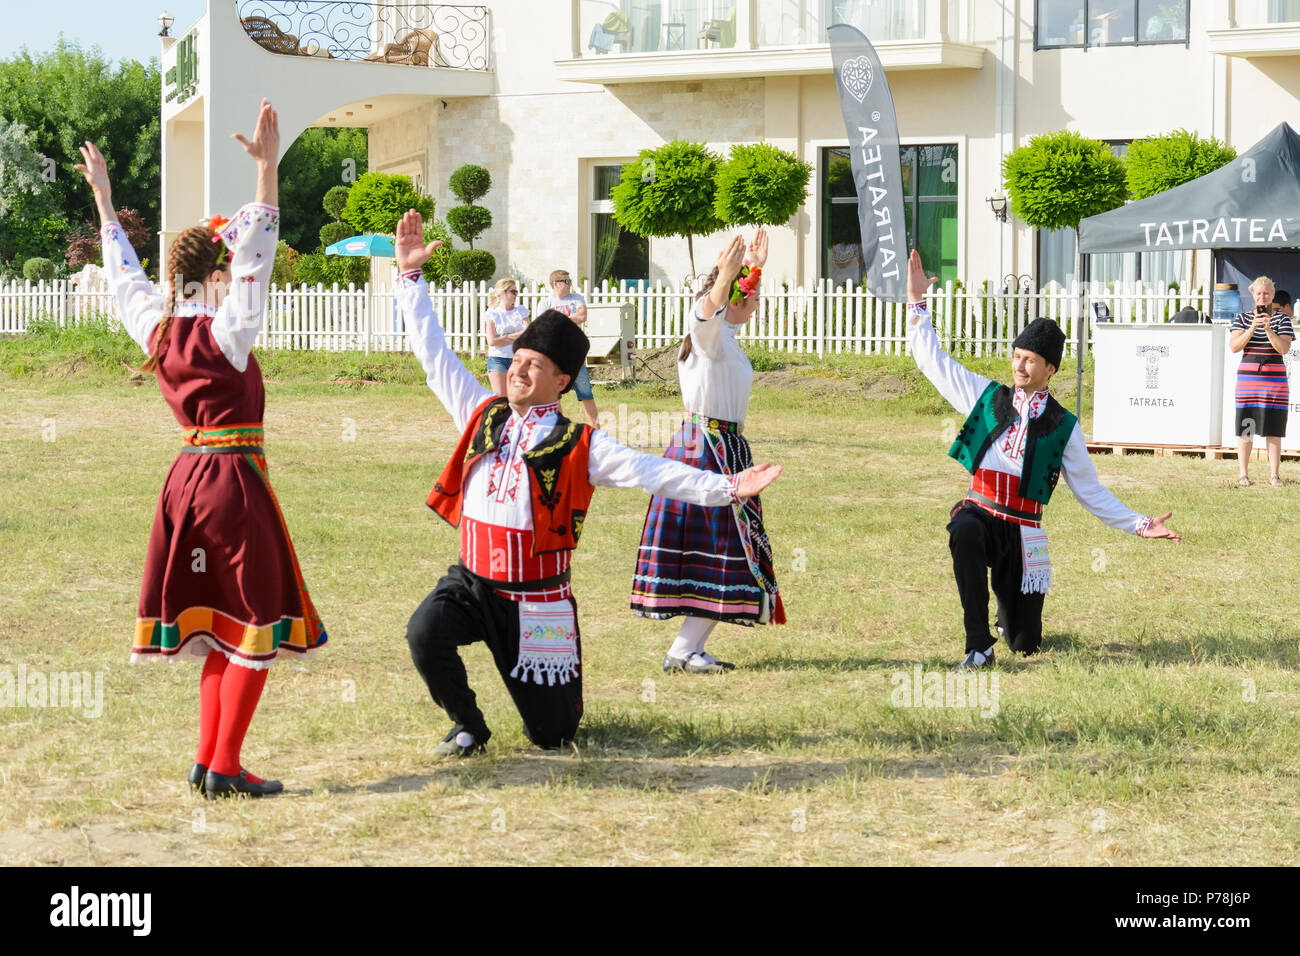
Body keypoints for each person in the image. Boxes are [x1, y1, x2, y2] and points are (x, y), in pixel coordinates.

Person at [393, 210, 782, 757]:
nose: (520, 372)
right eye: (518, 360)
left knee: (555, 736)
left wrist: (727, 488)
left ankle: (550, 703)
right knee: (423, 632)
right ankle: (467, 726)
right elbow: (434, 356)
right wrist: (410, 279)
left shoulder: (582, 444)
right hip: (473, 583)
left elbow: (653, 471)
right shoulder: (481, 412)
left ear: (561, 380)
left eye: (534, 366)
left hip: (539, 601)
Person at [76, 100, 326, 798]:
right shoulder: (227, 332)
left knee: (219, 627)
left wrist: (103, 197)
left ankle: (210, 763)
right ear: (214, 270)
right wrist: (267, 174)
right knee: (255, 625)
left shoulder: (155, 327)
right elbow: (258, 258)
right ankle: (222, 765)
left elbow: (123, 273)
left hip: (184, 480)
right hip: (232, 481)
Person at [904, 250, 1180, 671]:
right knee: (964, 531)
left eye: (1029, 359)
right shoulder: (986, 395)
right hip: (980, 510)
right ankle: (977, 645)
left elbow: (1090, 491)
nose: (1019, 365)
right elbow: (933, 362)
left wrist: (1141, 524)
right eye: (1016, 356)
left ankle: (1007, 618)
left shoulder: (1064, 426)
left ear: (1050, 368)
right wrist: (918, 304)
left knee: (1026, 642)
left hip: (1024, 531)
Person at [629, 230, 785, 674]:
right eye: (751, 297)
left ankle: (686, 649)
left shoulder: (726, 337)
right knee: (726, 547)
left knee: (729, 549)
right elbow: (706, 314)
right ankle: (684, 650)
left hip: (723, 447)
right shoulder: (708, 337)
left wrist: (754, 267)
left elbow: (724, 313)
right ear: (730, 300)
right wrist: (729, 276)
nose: (756, 302)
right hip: (707, 449)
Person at [1230, 275, 1294, 487]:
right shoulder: (1242, 318)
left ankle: (1274, 475)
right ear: (1253, 295)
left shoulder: (1283, 319)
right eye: (1259, 293)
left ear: (1272, 295)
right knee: (1246, 428)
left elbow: (1283, 349)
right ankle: (1243, 475)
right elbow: (1234, 347)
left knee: (1274, 429)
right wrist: (1252, 328)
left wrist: (1268, 329)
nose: (1262, 296)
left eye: (1266, 293)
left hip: (1275, 382)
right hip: (1248, 381)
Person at [537, 269, 599, 427]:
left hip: (574, 354)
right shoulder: (545, 303)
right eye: (566, 281)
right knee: (555, 395)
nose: (570, 284)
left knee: (586, 393)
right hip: (554, 356)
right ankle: (561, 430)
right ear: (555, 284)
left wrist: (557, 319)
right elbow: (544, 326)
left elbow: (582, 317)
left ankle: (596, 430)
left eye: (569, 281)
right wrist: (568, 320)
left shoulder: (577, 298)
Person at [484, 277, 529, 396]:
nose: (515, 295)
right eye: (512, 291)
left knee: (519, 397)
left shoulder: (520, 311)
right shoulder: (492, 313)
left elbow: (528, 335)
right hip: (498, 359)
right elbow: (492, 341)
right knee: (502, 400)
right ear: (502, 293)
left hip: (518, 359)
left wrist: (503, 338)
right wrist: (518, 335)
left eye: (516, 292)